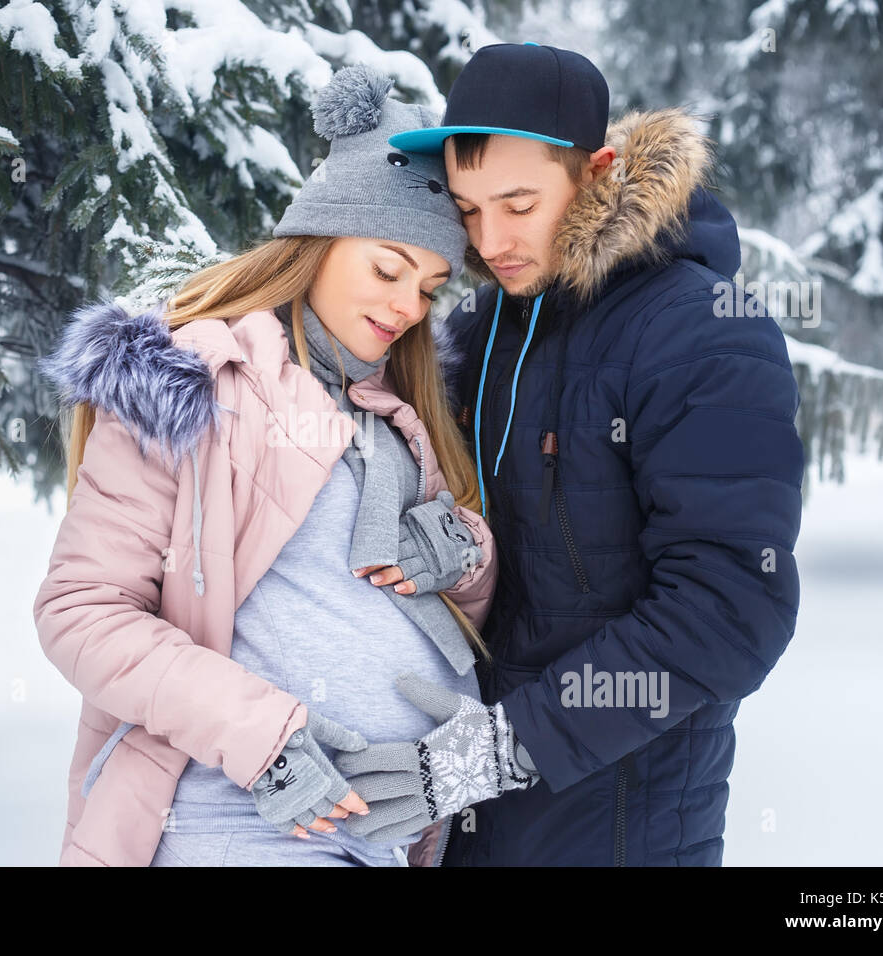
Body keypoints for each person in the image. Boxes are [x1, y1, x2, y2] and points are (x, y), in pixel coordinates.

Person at [32, 65, 527, 867]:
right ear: (322, 241)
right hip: (246, 823)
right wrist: (265, 740)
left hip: (394, 833)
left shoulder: (395, 409)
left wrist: (466, 556)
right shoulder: (193, 379)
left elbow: (416, 606)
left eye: (430, 288)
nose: (406, 306)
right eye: (387, 267)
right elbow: (81, 611)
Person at [333, 41, 805, 866]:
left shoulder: (704, 331)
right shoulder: (479, 334)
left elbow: (733, 609)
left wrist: (504, 749)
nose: (493, 238)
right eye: (470, 209)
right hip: (464, 826)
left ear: (596, 171)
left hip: (623, 829)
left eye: (519, 203)